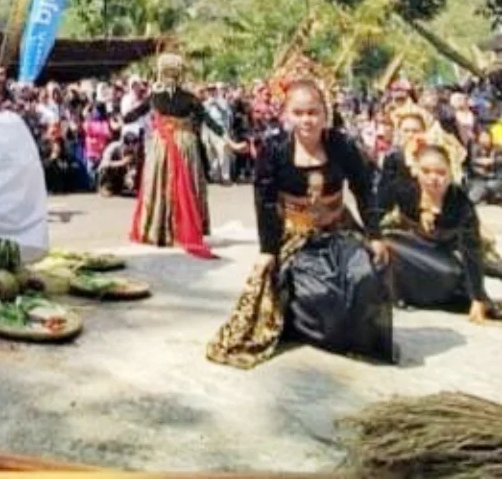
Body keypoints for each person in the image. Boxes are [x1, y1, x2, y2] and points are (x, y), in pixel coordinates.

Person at [207, 79, 395, 369]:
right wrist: (268, 250)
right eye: (299, 112)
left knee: (363, 277)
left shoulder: (342, 145)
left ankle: (360, 341)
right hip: (295, 238)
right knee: (321, 294)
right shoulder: (273, 150)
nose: (307, 120)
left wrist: (374, 234)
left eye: (313, 112)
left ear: (325, 113)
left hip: (337, 231)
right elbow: (265, 202)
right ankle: (300, 324)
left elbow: (362, 188)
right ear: (286, 114)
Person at [122, 53, 243, 259]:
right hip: (185, 145)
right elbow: (210, 122)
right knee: (186, 186)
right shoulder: (190, 98)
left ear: (161, 72)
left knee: (161, 186)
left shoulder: (155, 97)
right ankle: (184, 229)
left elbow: (130, 116)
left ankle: (160, 231)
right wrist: (230, 142)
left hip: (163, 147)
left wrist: (119, 120)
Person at [383, 133, 496, 322]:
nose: (433, 178)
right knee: (385, 244)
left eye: (441, 172)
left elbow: (471, 250)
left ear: (451, 173)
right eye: (426, 171)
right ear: (416, 171)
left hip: (447, 265)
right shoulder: (404, 191)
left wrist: (477, 297)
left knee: (452, 273)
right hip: (414, 258)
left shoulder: (460, 202)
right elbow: (374, 214)